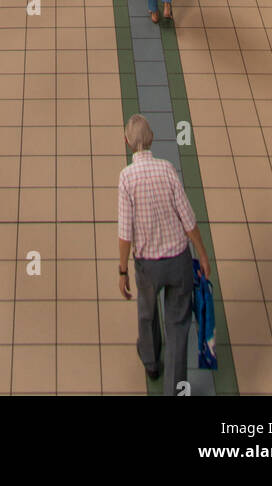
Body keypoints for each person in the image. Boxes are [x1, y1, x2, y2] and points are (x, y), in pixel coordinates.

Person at [118, 113, 211, 395]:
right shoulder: (168, 170)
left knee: (147, 313)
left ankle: (151, 361)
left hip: (147, 266)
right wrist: (203, 256)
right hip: (178, 260)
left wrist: (122, 270)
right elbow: (188, 220)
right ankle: (176, 389)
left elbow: (125, 233)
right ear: (153, 138)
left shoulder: (126, 178)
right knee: (179, 325)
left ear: (127, 142)